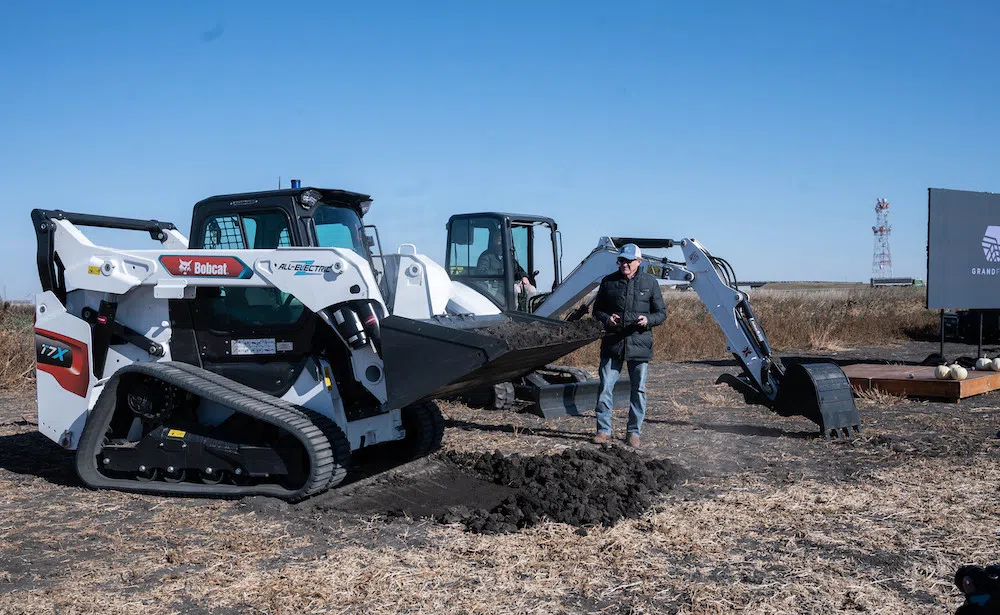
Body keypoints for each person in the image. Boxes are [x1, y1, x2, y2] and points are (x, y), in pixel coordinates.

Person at [591, 243, 666, 447]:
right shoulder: (608, 282)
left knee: (638, 390)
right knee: (606, 387)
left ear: (639, 262)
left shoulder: (650, 283)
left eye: (628, 261)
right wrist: (607, 319)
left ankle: (634, 432)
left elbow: (661, 313)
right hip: (613, 343)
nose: (624, 264)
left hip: (639, 344)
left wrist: (647, 320)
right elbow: (597, 311)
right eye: (621, 260)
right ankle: (604, 431)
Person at [477, 228, 536, 296]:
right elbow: (480, 272)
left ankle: (528, 306)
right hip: (494, 287)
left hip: (509, 284)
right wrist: (500, 272)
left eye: (501, 236)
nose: (499, 238)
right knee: (515, 290)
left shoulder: (508, 256)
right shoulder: (486, 256)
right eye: (497, 236)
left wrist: (524, 276)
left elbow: (518, 270)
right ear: (493, 240)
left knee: (531, 289)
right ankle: (513, 307)